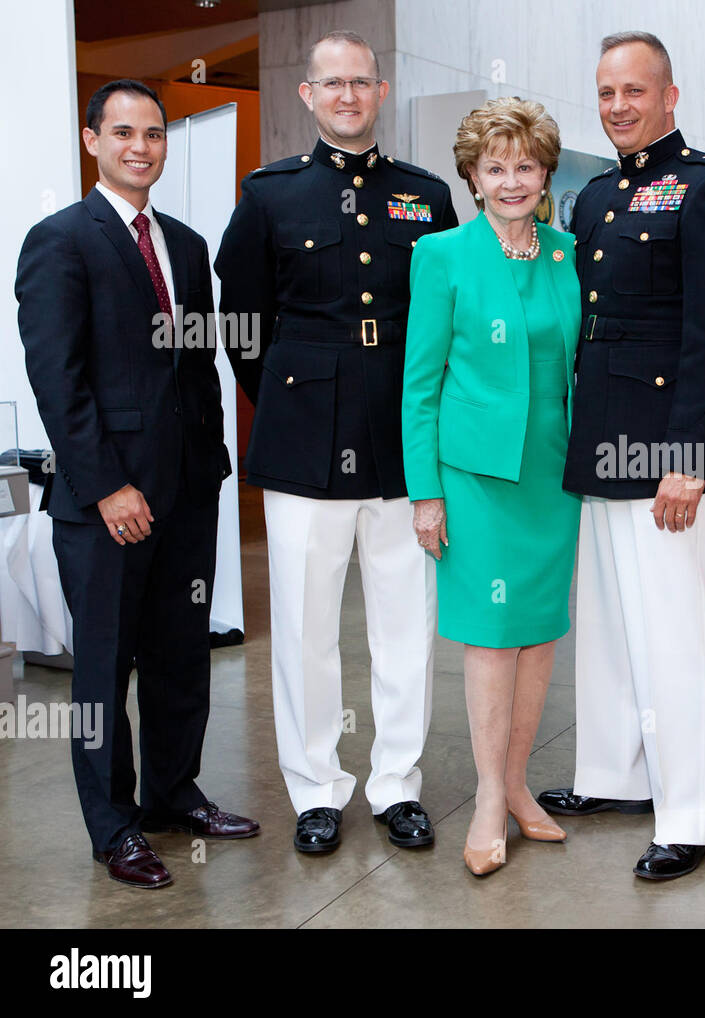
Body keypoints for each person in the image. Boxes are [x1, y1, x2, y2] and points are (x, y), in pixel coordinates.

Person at [215, 30, 457, 854]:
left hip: (400, 444)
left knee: (405, 624)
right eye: (332, 84)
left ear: (380, 92)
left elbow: (447, 319)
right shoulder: (270, 194)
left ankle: (396, 784)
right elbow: (245, 326)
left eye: (362, 82)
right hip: (302, 444)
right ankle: (316, 788)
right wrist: (289, 397)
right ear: (307, 95)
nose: (348, 96)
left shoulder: (424, 195)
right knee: (305, 626)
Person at [15, 79, 258, 889]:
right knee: (104, 667)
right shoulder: (60, 240)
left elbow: (196, 369)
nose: (140, 148)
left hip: (187, 493)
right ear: (92, 141)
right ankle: (112, 826)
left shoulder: (186, 246)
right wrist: (108, 486)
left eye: (153, 134)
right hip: (108, 504)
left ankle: (172, 794)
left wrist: (210, 470)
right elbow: (59, 382)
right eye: (122, 133)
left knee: (180, 654)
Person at [537, 30, 705, 880]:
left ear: (670, 96)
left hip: (668, 452)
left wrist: (691, 454)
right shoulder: (594, 196)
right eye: (605, 93)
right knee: (608, 624)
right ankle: (613, 775)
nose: (618, 106)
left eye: (634, 90)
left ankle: (691, 814)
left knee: (677, 635)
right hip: (599, 444)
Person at [403, 97, 579, 877]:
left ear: (545, 174)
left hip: (552, 475)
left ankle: (517, 784)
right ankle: (484, 796)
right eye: (496, 167)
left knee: (538, 632)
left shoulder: (570, 253)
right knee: (488, 638)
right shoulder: (441, 255)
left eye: (526, 166)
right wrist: (425, 491)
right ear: (472, 177)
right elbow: (420, 385)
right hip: (474, 479)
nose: (512, 181)